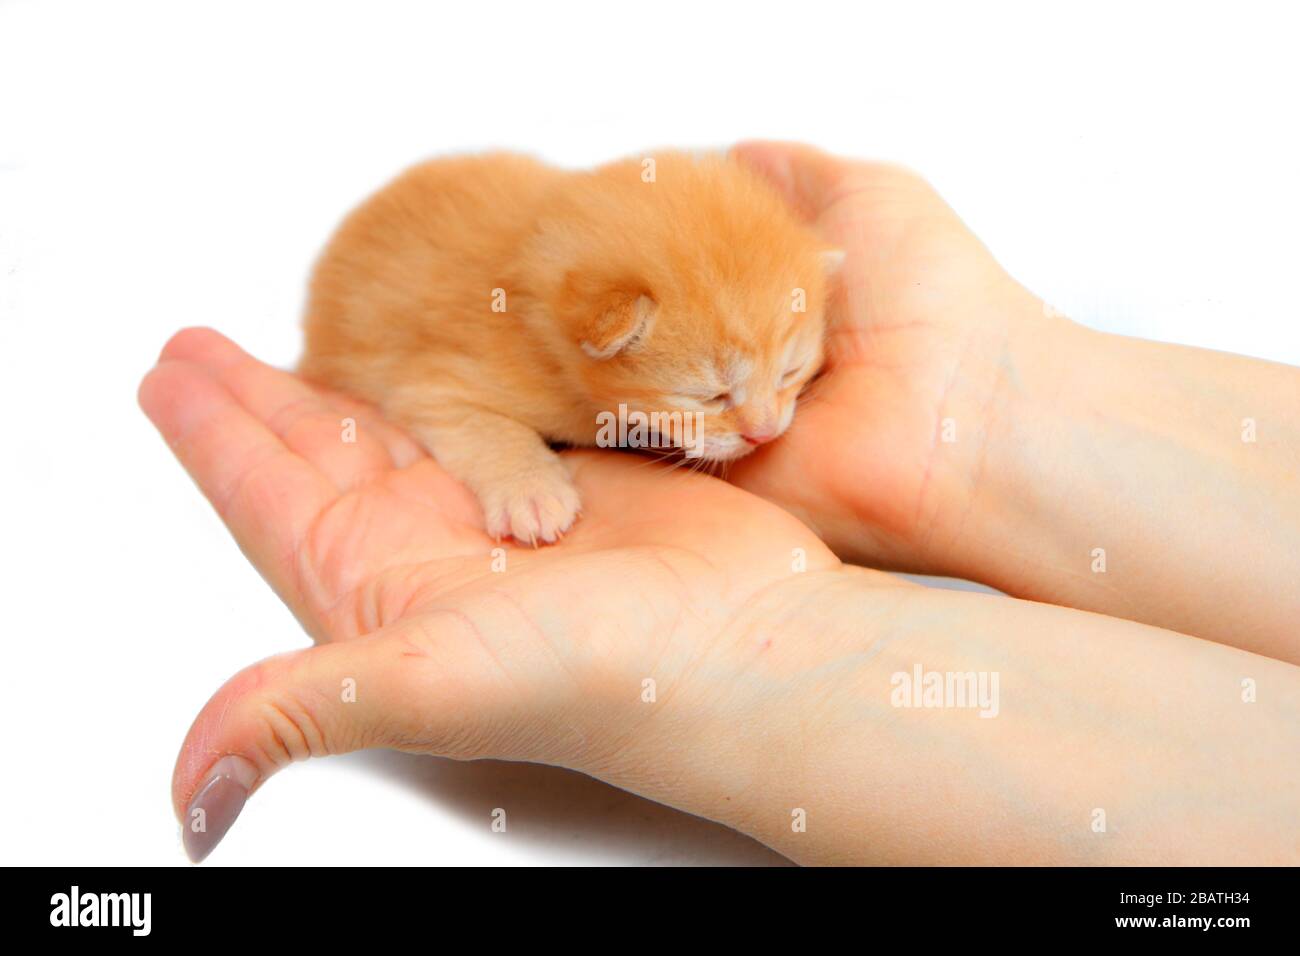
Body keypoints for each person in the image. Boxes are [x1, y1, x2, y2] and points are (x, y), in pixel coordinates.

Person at [139, 142, 1300, 865]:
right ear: (599, 328)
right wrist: (511, 462)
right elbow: (436, 390)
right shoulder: (540, 330)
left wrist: (996, 398)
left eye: (792, 371)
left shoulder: (754, 325)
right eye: (711, 391)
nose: (764, 425)